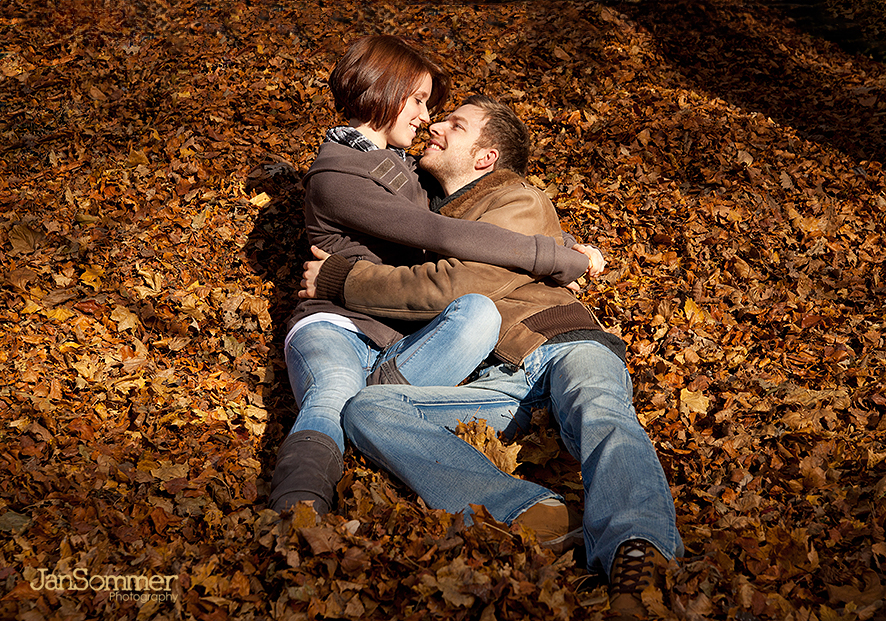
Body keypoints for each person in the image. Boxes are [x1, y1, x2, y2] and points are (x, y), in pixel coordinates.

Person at [301, 95, 683, 619]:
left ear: (486, 158)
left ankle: (637, 554)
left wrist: (344, 279)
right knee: (368, 410)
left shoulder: (519, 199)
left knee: (601, 410)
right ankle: (531, 511)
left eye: (456, 125)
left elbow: (455, 287)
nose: (435, 126)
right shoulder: (429, 211)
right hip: (499, 380)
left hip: (559, 342)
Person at [269, 36, 597, 518]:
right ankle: (297, 514)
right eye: (418, 99)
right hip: (335, 323)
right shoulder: (338, 175)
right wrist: (557, 258)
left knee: (478, 311)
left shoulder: (407, 169)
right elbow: (440, 232)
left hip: (396, 344)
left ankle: (374, 412)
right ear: (382, 88)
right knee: (332, 396)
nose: (426, 117)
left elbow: (479, 231)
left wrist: (564, 244)